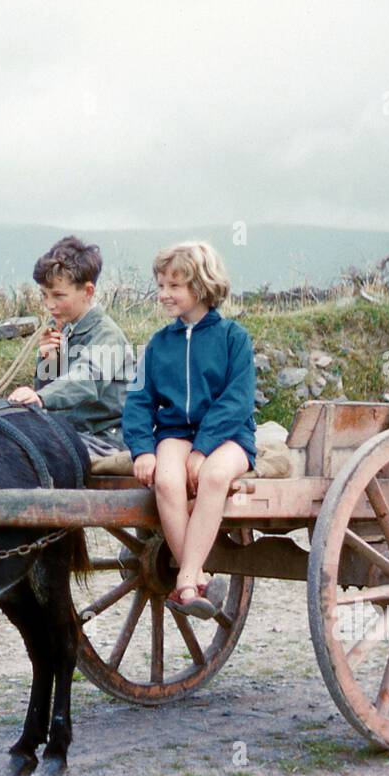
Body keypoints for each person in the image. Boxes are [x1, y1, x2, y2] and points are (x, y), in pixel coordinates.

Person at [121, 241, 257, 619]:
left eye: (174, 286)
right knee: (166, 482)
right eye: (161, 285)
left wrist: (204, 448)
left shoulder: (233, 338)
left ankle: (185, 580)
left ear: (201, 285)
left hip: (229, 436)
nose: (164, 294)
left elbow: (238, 400)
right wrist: (142, 449)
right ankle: (194, 582)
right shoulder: (159, 345)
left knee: (213, 475)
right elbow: (138, 402)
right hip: (175, 434)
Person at [8, 235, 134, 456]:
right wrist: (48, 361)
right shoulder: (63, 327)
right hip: (68, 431)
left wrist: (42, 398)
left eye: (58, 295)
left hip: (104, 437)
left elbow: (86, 380)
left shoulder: (107, 335)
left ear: (87, 292)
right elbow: (47, 389)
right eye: (44, 295)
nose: (49, 305)